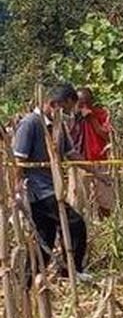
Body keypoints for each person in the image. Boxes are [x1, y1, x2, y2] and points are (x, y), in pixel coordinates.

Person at [12, 84, 90, 282]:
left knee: (45, 237)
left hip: (51, 187)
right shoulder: (30, 123)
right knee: (75, 223)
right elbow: (18, 160)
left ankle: (27, 282)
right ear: (54, 104)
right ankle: (71, 271)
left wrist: (97, 172)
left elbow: (70, 153)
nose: (66, 115)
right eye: (64, 110)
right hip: (38, 190)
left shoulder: (57, 126)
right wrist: (16, 190)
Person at [73, 87, 116, 218]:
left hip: (100, 161)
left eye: (87, 103)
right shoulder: (71, 118)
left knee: (105, 199)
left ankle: (105, 227)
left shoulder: (102, 114)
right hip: (80, 163)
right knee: (77, 200)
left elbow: (107, 136)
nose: (84, 107)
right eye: (80, 104)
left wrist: (92, 119)